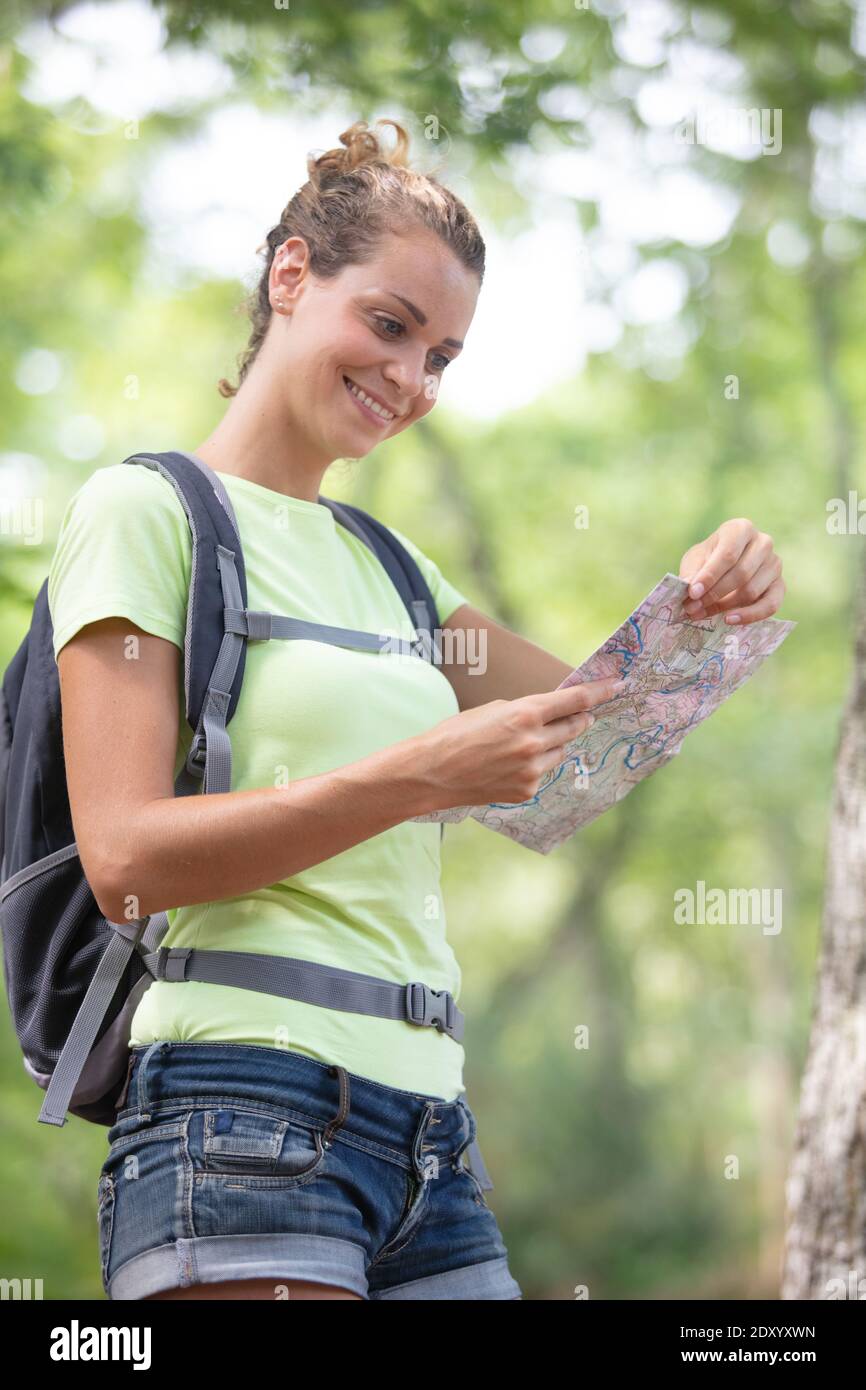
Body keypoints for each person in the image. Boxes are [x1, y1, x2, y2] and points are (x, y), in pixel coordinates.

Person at [49, 118, 786, 1301]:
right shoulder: (147, 512)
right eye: (389, 326)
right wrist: (419, 775)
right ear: (292, 275)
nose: (409, 378)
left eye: (440, 355)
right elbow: (125, 860)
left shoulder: (392, 570)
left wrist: (717, 605)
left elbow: (592, 745)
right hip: (239, 1108)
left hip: (430, 1135)